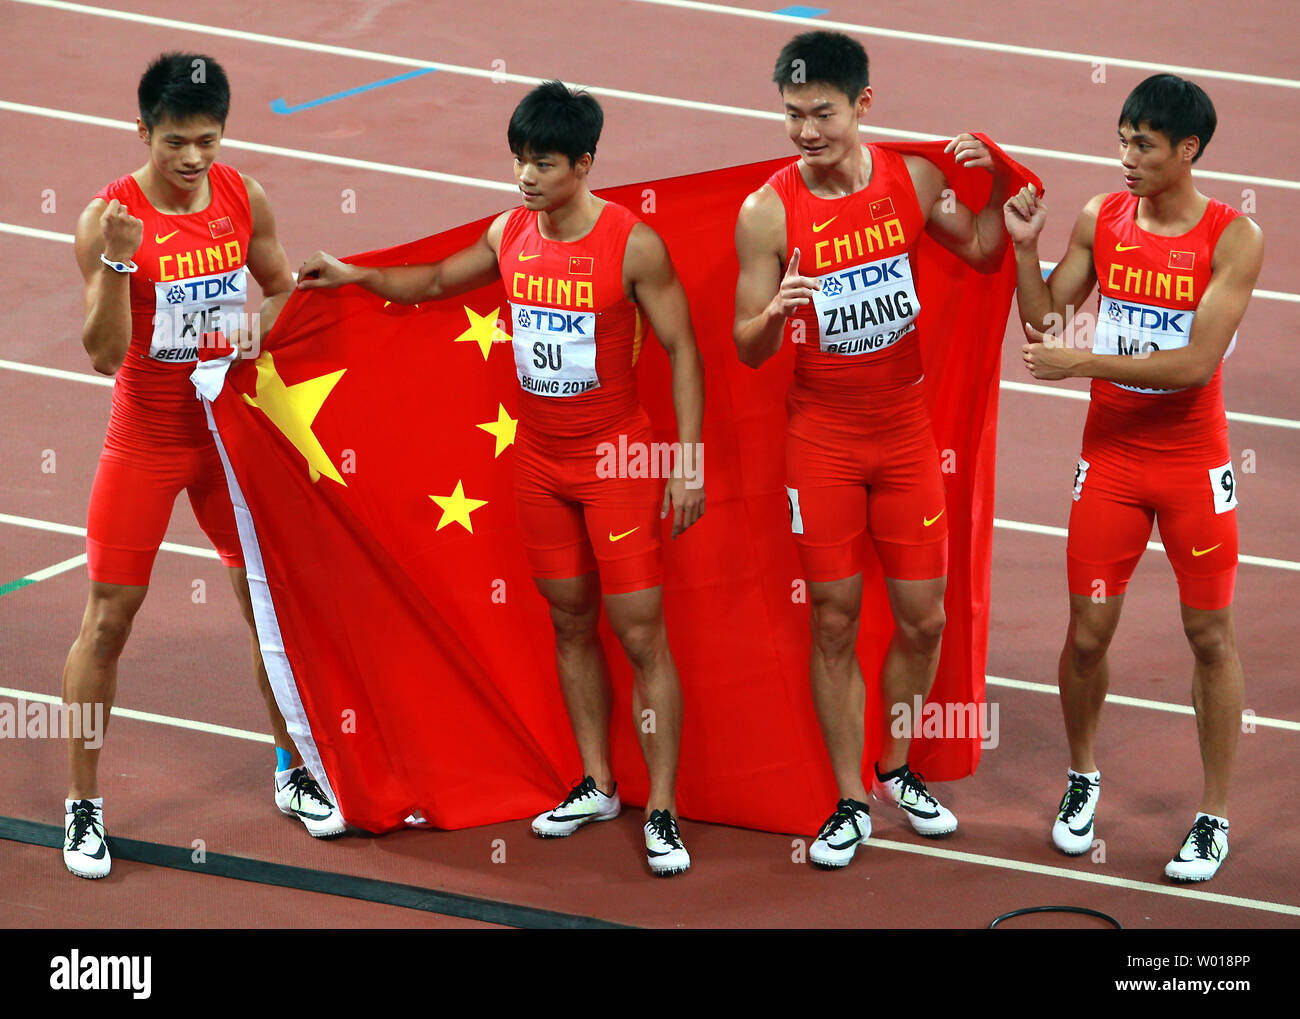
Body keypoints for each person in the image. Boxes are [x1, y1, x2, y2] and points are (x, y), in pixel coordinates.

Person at [298, 80, 705, 877]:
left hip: (615, 461)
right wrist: (356, 276)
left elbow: (684, 347)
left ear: (583, 164)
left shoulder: (632, 244)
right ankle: (596, 781)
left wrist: (685, 462)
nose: (525, 176)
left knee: (641, 632)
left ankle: (663, 809)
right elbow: (440, 281)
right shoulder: (510, 231)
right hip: (540, 464)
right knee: (568, 621)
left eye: (543, 164)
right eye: (519, 160)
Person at [733, 31, 1014, 869]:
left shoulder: (912, 180)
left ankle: (897, 766)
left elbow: (984, 249)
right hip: (820, 438)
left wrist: (999, 193)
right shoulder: (767, 212)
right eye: (791, 115)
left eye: (821, 112)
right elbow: (745, 346)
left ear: (863, 104)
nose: (805, 131)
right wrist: (772, 315)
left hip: (905, 433)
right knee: (833, 618)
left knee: (923, 617)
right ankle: (849, 800)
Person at [63, 52, 344, 880]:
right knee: (108, 620)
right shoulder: (105, 219)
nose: (192, 159)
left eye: (208, 142)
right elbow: (104, 356)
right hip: (148, 436)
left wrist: (265, 324)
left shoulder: (240, 196)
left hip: (227, 438)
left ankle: (293, 768)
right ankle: (83, 807)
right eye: (177, 141)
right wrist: (118, 263)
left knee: (269, 607)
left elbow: (280, 286)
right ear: (142, 130)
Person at [1005, 74, 1261, 882]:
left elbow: (1192, 364)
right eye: (1122, 139)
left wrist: (1082, 359)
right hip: (1111, 459)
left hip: (1192, 461)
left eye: (1143, 145)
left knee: (1209, 637)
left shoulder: (1233, 238)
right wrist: (1022, 249)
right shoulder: (1101, 216)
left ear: (1187, 150)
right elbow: (1045, 317)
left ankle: (1213, 816)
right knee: (1087, 632)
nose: (1126, 158)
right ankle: (1082, 777)